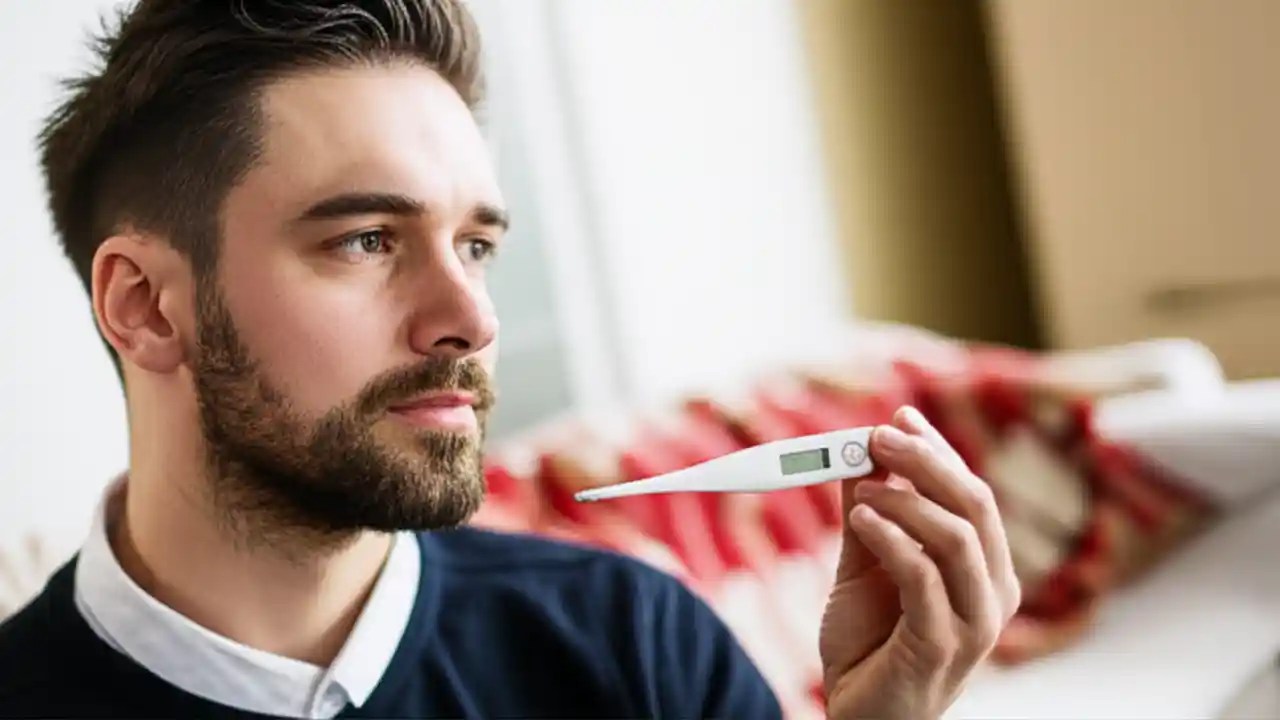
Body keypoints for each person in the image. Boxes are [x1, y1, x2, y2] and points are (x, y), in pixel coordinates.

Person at [0, 1, 1021, 717]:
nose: (469, 317)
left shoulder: (635, 644)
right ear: (144, 306)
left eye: (476, 246)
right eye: (365, 239)